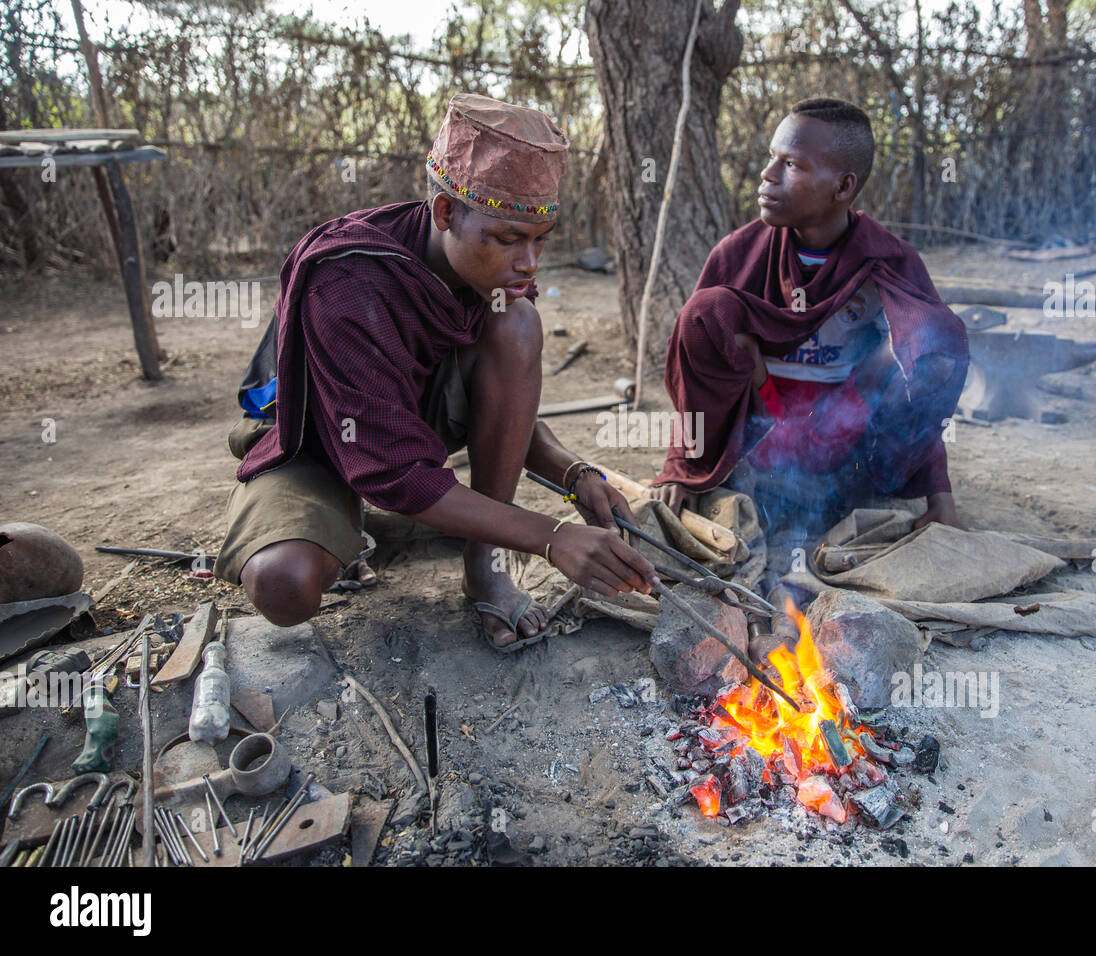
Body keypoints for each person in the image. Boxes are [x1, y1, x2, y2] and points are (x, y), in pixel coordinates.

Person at [216, 93, 657, 651]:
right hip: (314, 439)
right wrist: (553, 538)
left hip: (409, 431)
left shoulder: (494, 278)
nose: (529, 263)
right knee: (285, 584)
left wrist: (574, 475)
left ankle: (482, 556)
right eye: (508, 239)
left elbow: (498, 409)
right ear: (446, 213)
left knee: (515, 321)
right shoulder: (347, 283)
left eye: (540, 240)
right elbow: (392, 469)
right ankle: (359, 524)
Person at [649, 97, 969, 532]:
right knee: (706, 312)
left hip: (848, 442)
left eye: (793, 165)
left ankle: (875, 480)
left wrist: (939, 493)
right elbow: (693, 381)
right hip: (763, 434)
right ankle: (729, 473)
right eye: (771, 158)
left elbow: (928, 365)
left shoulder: (888, 260)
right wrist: (681, 465)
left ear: (843, 187)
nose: (767, 175)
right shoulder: (738, 254)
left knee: (933, 334)